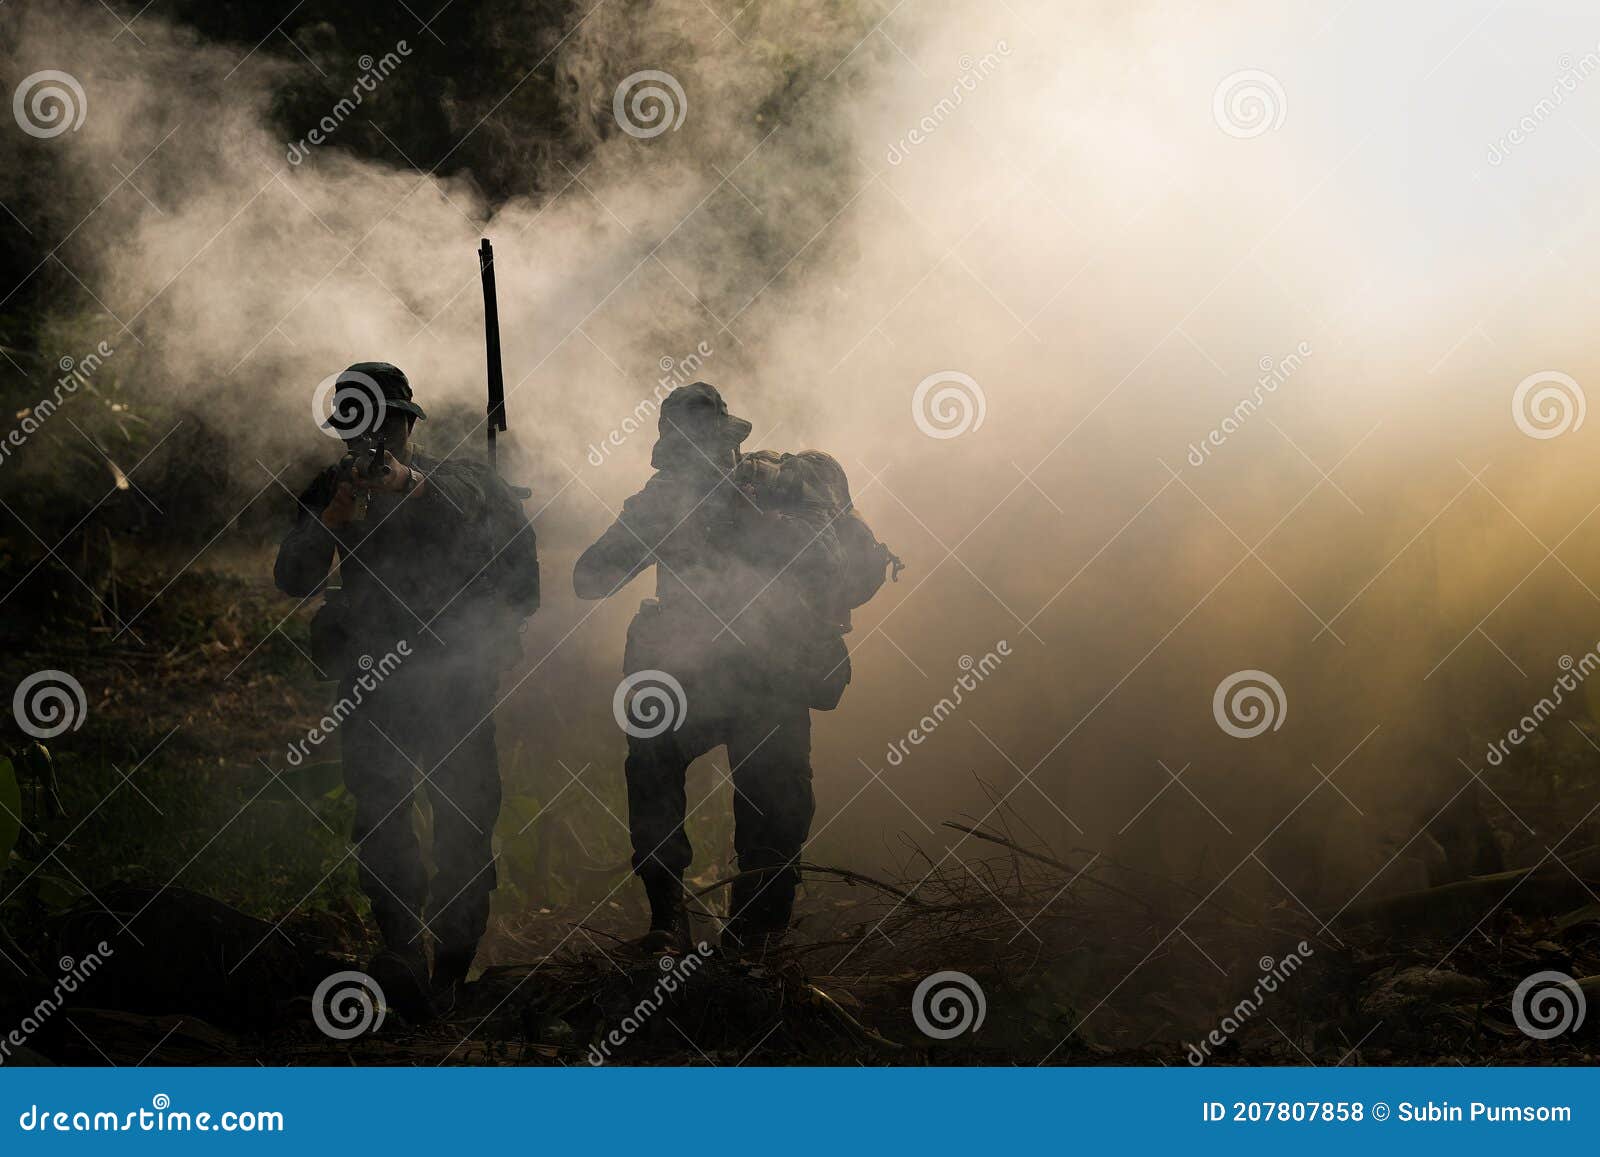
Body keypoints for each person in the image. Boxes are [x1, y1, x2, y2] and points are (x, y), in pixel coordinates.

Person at [574, 381, 897, 954]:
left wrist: (748, 521)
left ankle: (756, 941)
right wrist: (652, 518)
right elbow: (590, 578)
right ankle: (668, 921)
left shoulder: (783, 490)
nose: (698, 464)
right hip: (691, 672)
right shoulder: (664, 502)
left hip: (770, 672)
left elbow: (831, 562)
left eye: (705, 450)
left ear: (728, 444)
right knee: (650, 765)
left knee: (775, 807)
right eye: (684, 455)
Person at [274, 362, 539, 1015]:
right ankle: (400, 948)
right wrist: (330, 520)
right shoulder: (334, 487)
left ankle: (452, 961)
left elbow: (490, 519)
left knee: (464, 820)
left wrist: (410, 486)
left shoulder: (459, 480)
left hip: (455, 676)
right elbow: (294, 576)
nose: (370, 441)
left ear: (408, 424)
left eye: (383, 424)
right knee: (382, 813)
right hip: (374, 679)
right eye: (354, 427)